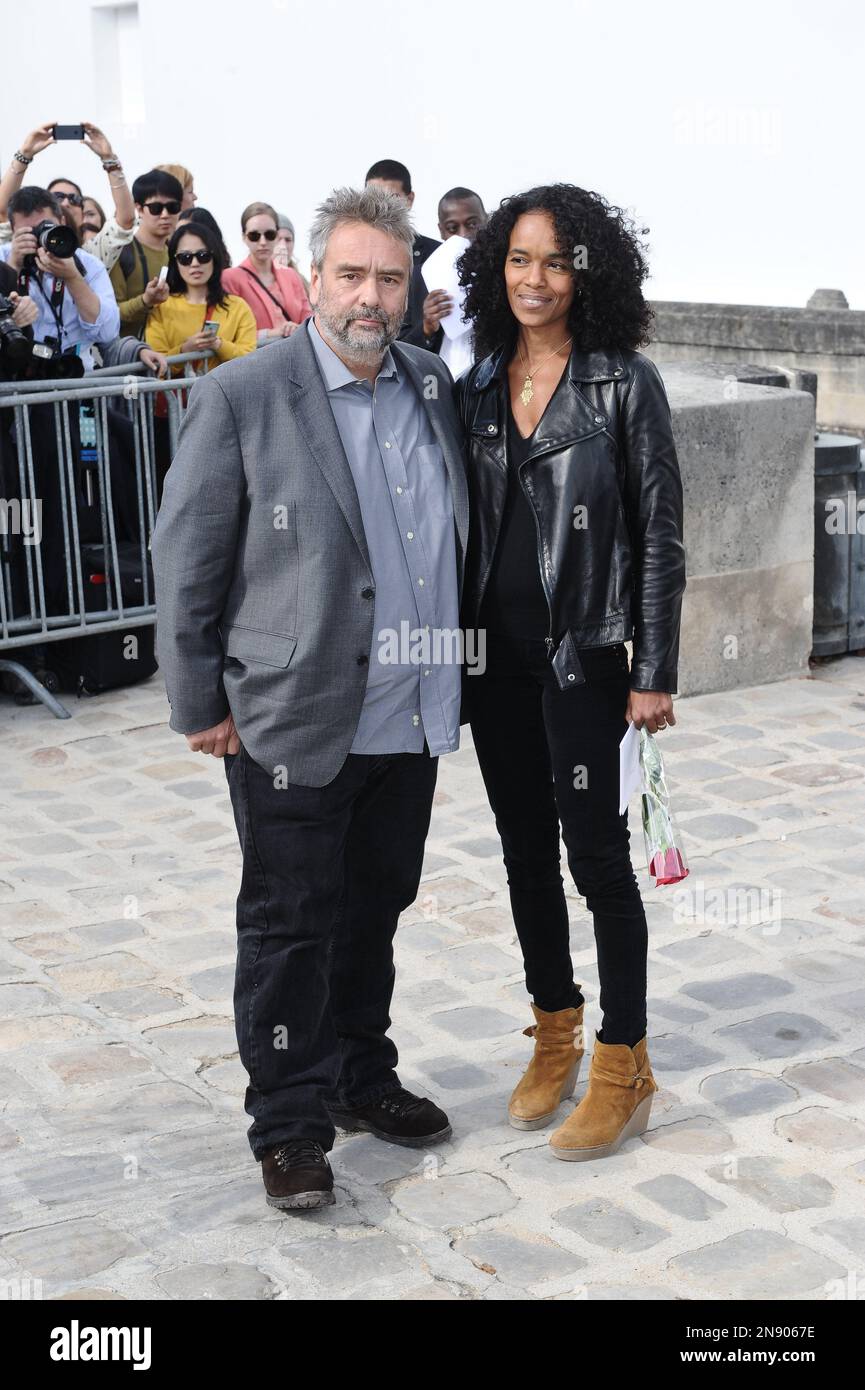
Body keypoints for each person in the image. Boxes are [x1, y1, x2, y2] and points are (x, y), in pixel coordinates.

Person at [151, 185, 469, 1213]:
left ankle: (356, 1075)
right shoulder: (246, 393)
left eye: (389, 276)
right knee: (289, 924)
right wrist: (200, 699)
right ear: (313, 275)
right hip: (291, 715)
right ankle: (288, 1123)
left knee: (374, 908)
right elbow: (187, 555)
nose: (370, 295)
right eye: (351, 274)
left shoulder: (428, 384)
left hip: (408, 714)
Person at [455, 183, 686, 1162]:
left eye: (552, 261)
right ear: (492, 268)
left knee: (596, 861)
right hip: (492, 665)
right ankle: (553, 1029)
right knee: (521, 852)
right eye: (516, 258)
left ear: (585, 271)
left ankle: (624, 1061)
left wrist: (654, 668)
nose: (533, 279)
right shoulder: (473, 386)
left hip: (581, 658)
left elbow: (661, 535)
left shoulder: (621, 385)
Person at [0, 186, 119, 370]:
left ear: (62, 221)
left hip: (75, 377)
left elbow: (107, 333)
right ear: (13, 231)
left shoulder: (88, 264)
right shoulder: (3, 258)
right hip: (16, 379)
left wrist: (73, 278)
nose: (40, 238)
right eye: (29, 232)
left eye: (45, 228)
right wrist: (13, 266)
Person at [0, 122, 137, 273]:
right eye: (57, 197)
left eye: (74, 199)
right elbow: (3, 211)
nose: (66, 203)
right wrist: (24, 155)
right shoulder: (18, 246)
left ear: (82, 213)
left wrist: (110, 160)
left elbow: (125, 221)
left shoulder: (90, 254)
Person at [144, 221, 256, 370]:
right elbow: (157, 364)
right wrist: (185, 350)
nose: (195, 263)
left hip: (225, 392)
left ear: (214, 259)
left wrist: (218, 344)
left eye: (203, 256)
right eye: (185, 258)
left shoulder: (238, 307)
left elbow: (250, 360)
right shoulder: (161, 308)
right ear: (175, 262)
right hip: (178, 393)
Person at [403, 186, 488, 358]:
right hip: (437, 380)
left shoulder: (506, 272)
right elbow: (400, 349)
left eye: (472, 225)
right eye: (452, 228)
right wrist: (427, 327)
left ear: (485, 221)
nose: (463, 235)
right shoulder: (420, 277)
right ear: (441, 230)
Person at [365, 159, 439, 341]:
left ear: (410, 199)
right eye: (373, 199)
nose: (382, 207)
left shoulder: (437, 256)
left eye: (392, 199)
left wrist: (426, 329)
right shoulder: (347, 253)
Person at [222, 202, 311, 345]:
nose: (262, 242)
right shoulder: (230, 278)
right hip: (256, 362)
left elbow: (309, 320)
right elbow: (230, 335)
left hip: (293, 358)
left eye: (269, 234)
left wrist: (297, 329)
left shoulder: (291, 275)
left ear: (276, 235)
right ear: (244, 237)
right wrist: (273, 333)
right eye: (254, 236)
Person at [108, 169, 183, 336]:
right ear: (139, 209)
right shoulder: (121, 251)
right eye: (156, 208)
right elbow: (111, 314)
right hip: (131, 353)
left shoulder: (182, 253)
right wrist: (145, 300)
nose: (165, 215)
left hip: (174, 350)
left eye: (173, 207)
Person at [273, 214, 311, 296]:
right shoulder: (252, 277)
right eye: (278, 239)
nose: (283, 245)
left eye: (288, 240)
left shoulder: (302, 282)